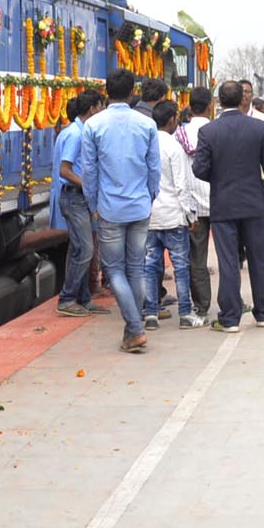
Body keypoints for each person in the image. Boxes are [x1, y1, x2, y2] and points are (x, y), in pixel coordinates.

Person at [80, 69, 162, 351]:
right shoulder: (147, 124)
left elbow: (89, 172)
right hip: (140, 206)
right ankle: (132, 329)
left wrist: (93, 205)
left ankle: (136, 329)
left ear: (106, 92)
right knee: (136, 269)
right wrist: (150, 196)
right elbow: (154, 167)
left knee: (114, 270)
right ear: (132, 93)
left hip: (109, 208)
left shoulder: (93, 126)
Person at [191, 80, 264, 332]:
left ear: (218, 101)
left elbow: (199, 169)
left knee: (228, 261)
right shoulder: (258, 128)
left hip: (223, 205)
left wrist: (219, 179)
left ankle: (230, 318)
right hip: (254, 203)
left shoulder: (209, 131)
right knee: (259, 259)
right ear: (243, 98)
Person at [143, 100, 206, 329]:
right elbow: (182, 186)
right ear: (171, 120)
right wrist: (191, 216)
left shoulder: (145, 145)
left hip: (150, 217)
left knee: (150, 267)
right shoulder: (174, 147)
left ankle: (150, 315)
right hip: (173, 217)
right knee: (180, 267)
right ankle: (186, 314)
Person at [55, 91, 105, 316]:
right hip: (74, 197)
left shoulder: (81, 131)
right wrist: (88, 184)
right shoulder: (75, 135)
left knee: (80, 248)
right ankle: (66, 299)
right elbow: (64, 170)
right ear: (93, 108)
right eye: (101, 107)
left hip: (80, 197)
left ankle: (84, 299)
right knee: (86, 249)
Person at [174, 87, 215, 317]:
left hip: (192, 203)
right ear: (210, 106)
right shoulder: (215, 130)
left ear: (189, 107)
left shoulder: (179, 134)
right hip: (218, 199)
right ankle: (233, 300)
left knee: (196, 258)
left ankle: (202, 304)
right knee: (228, 254)